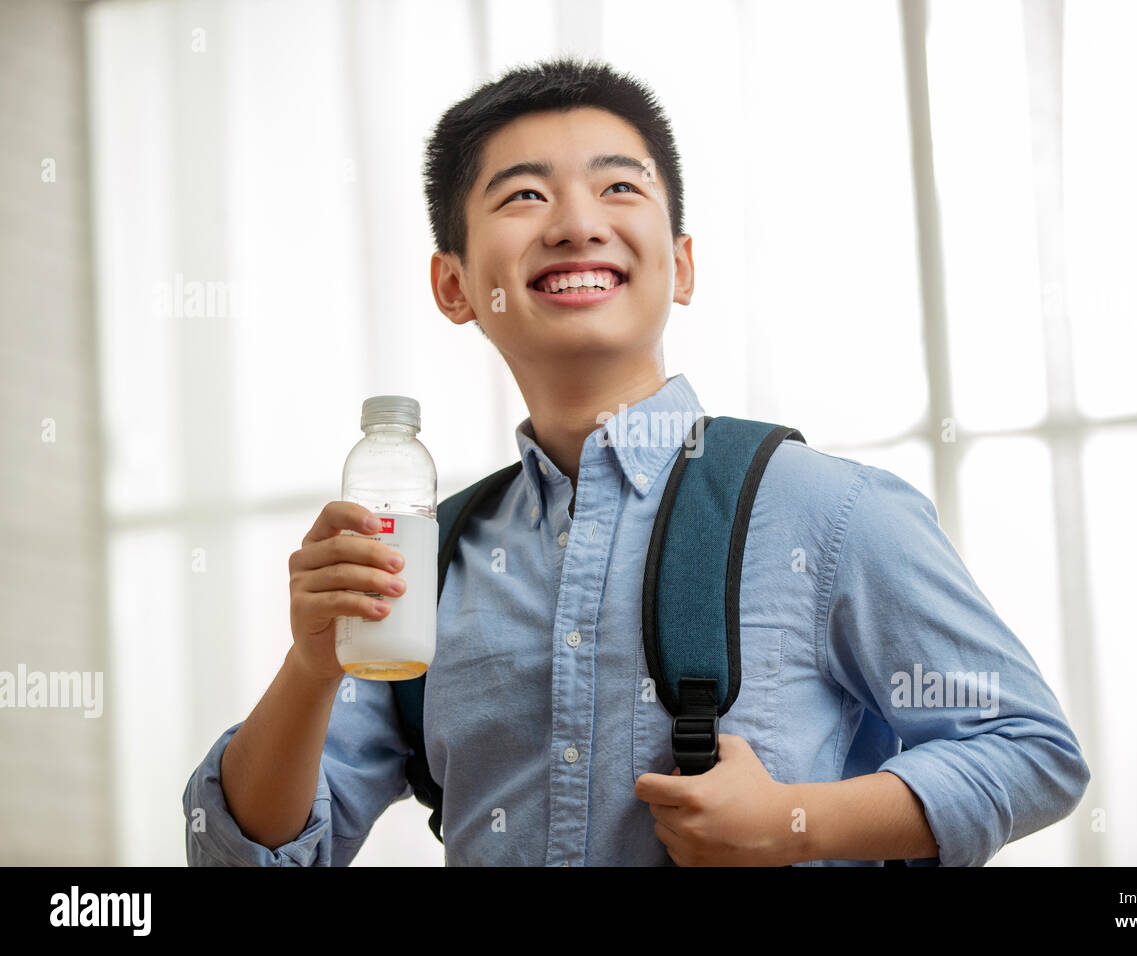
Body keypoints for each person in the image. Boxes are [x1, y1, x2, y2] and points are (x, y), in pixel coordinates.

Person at [183, 55, 1089, 867]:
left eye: (620, 189)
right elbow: (247, 853)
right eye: (524, 196)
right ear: (454, 285)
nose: (579, 223)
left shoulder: (830, 510)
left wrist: (797, 821)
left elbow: (1028, 745)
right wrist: (312, 664)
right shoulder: (429, 561)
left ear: (682, 265)